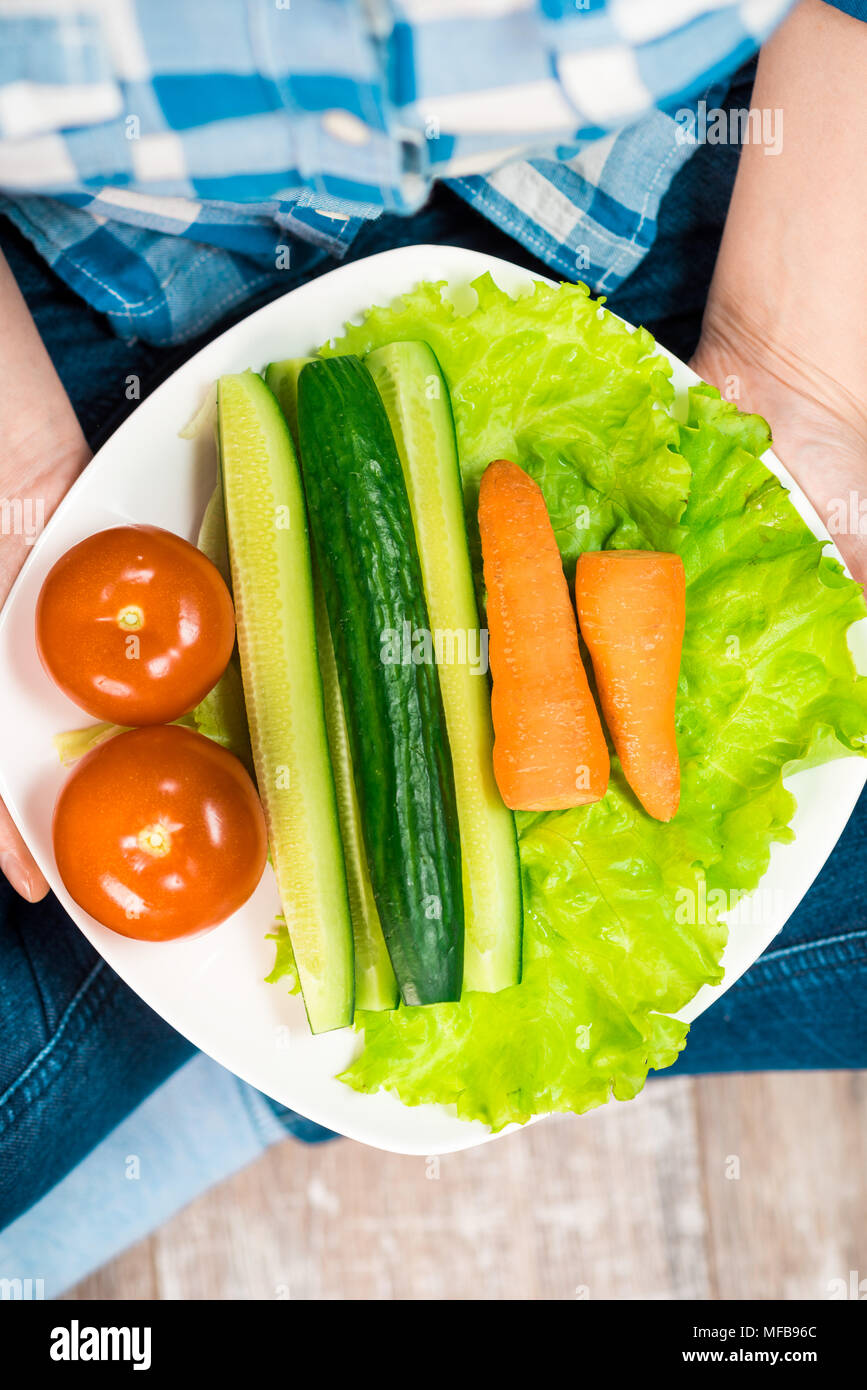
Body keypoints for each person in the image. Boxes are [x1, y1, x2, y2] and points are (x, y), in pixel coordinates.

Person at [0, 0, 865, 1291]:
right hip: (80, 292)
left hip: (680, 201)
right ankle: (238, 1070)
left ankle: (243, 1082)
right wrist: (15, 471)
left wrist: (801, 373)